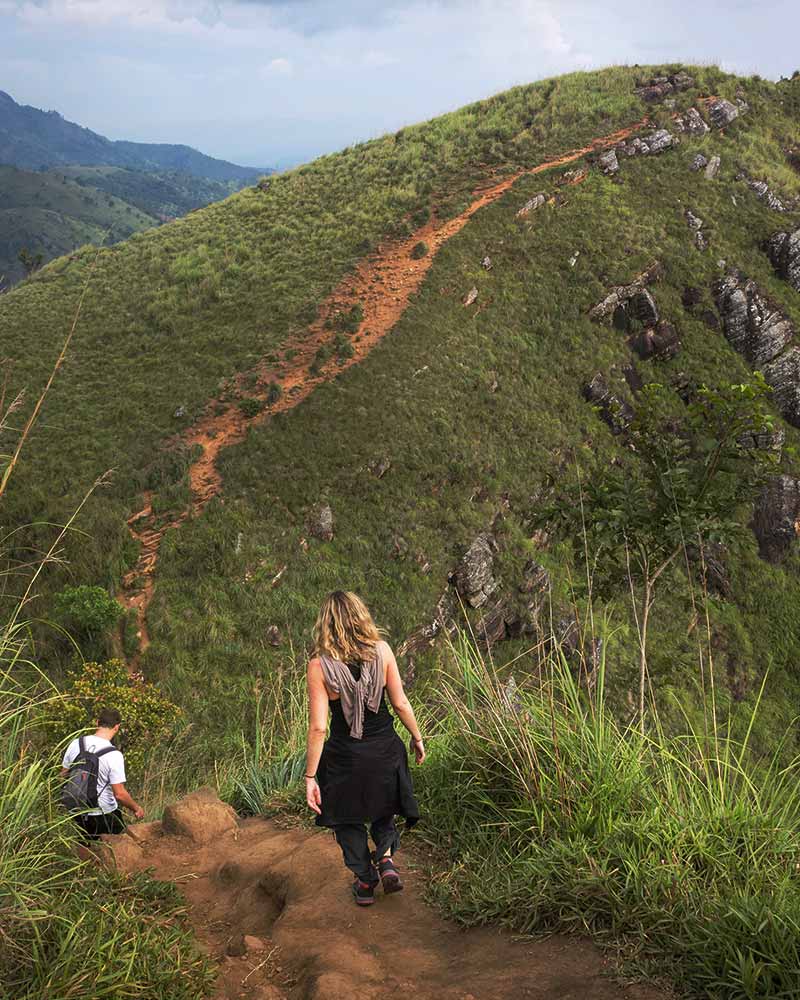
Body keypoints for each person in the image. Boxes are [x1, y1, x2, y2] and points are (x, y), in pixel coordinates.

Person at [305, 591, 425, 907]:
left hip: (345, 758)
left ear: (325, 624)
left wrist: (310, 776)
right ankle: (385, 859)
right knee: (383, 806)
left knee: (346, 819)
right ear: (361, 617)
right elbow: (400, 703)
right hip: (385, 750)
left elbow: (318, 728)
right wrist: (417, 737)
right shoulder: (382, 651)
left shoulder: (319, 667)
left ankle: (365, 879)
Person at [60, 708, 145, 840]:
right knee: (121, 845)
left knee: (85, 847)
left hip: (76, 812)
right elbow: (120, 794)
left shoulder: (76, 743)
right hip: (103, 814)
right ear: (116, 727)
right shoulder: (114, 755)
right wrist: (136, 808)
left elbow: (63, 776)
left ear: (97, 722)